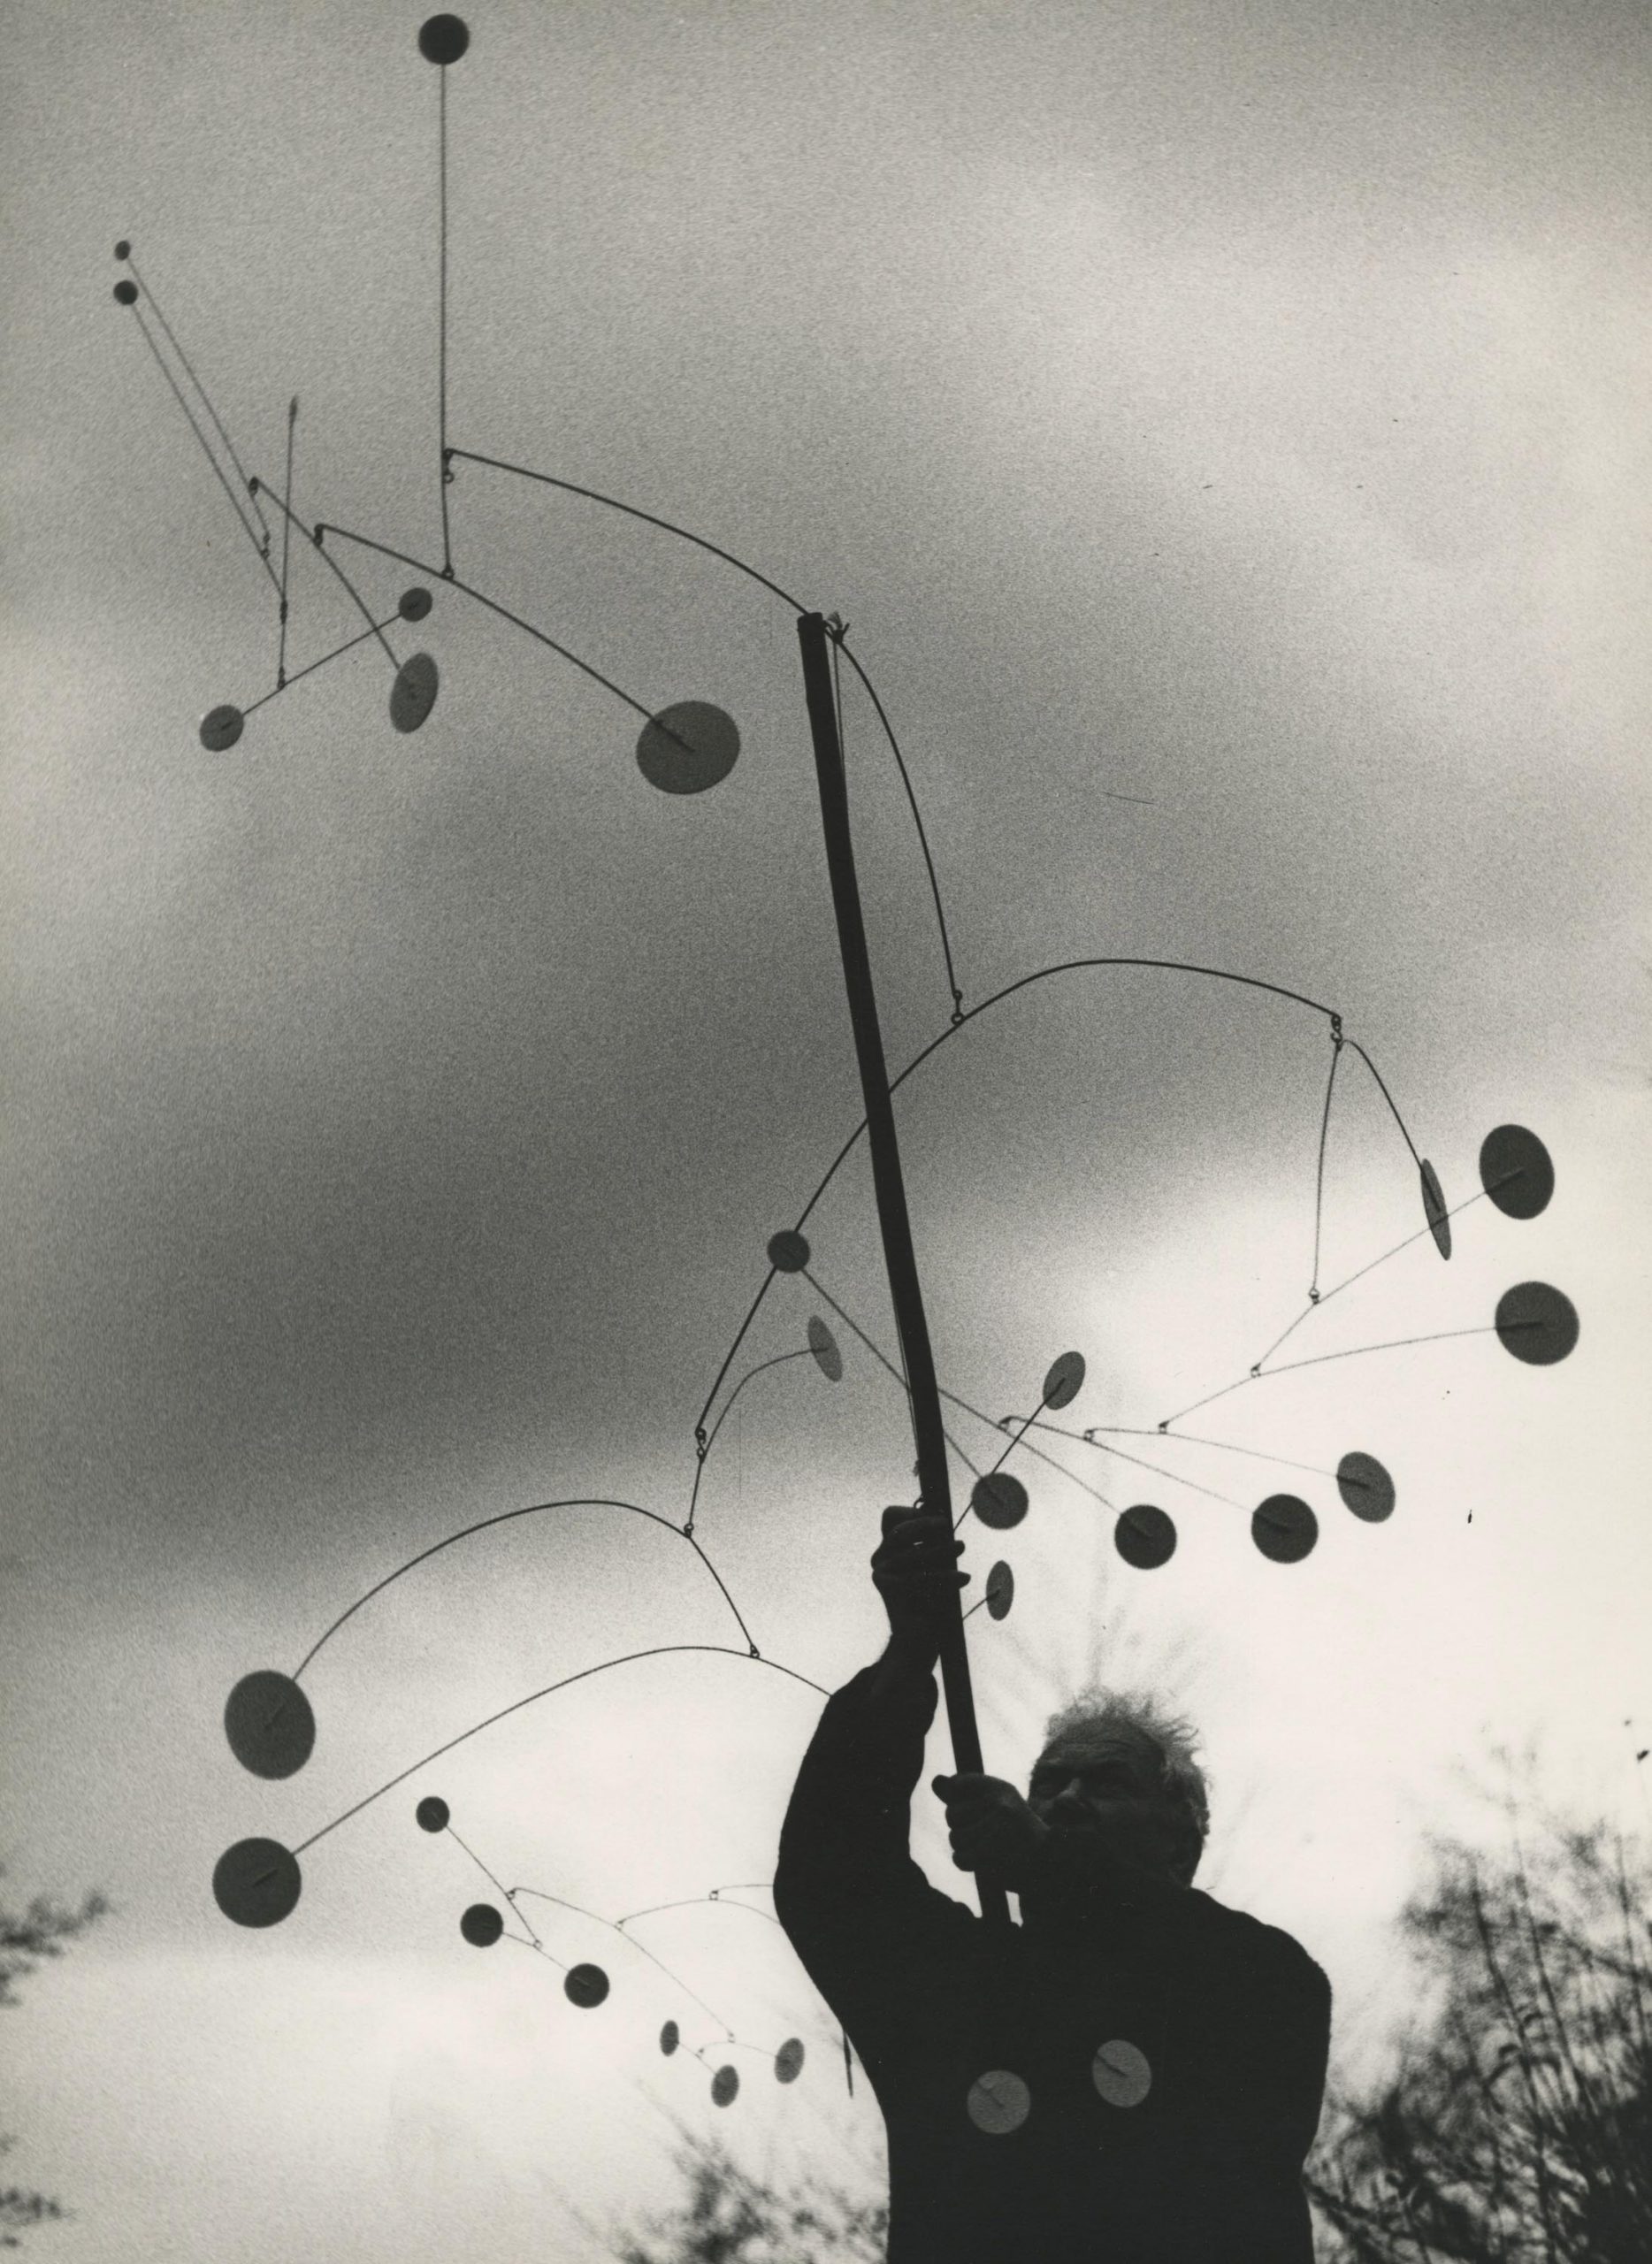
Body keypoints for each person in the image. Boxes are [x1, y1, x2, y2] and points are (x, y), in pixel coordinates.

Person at [775, 1504, 1332, 2263]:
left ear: (1178, 1835)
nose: (1065, 1800)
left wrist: (1047, 1866)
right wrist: (907, 1660)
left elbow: (1232, 1988)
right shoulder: (966, 1984)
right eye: (1049, 1783)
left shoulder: (1262, 1979)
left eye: (1106, 1783)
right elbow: (834, 1880)